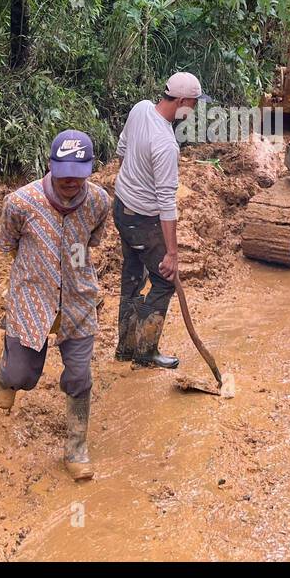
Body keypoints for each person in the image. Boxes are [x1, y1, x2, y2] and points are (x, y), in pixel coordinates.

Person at [0, 130, 110, 481]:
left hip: (77, 299)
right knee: (23, 376)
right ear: (50, 166)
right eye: (64, 171)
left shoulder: (99, 202)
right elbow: (7, 243)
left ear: (89, 168)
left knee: (79, 376)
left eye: (79, 171)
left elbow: (91, 241)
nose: (71, 180)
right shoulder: (20, 203)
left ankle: (76, 449)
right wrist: (39, 271)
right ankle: (5, 372)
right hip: (33, 299)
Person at [113, 72, 209, 369]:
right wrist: (172, 253)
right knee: (164, 280)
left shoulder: (140, 108)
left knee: (132, 275)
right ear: (181, 101)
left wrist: (130, 187)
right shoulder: (167, 144)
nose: (193, 110)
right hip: (143, 220)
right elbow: (166, 204)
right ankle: (146, 352)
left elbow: (122, 150)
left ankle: (125, 348)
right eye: (193, 104)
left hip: (122, 208)